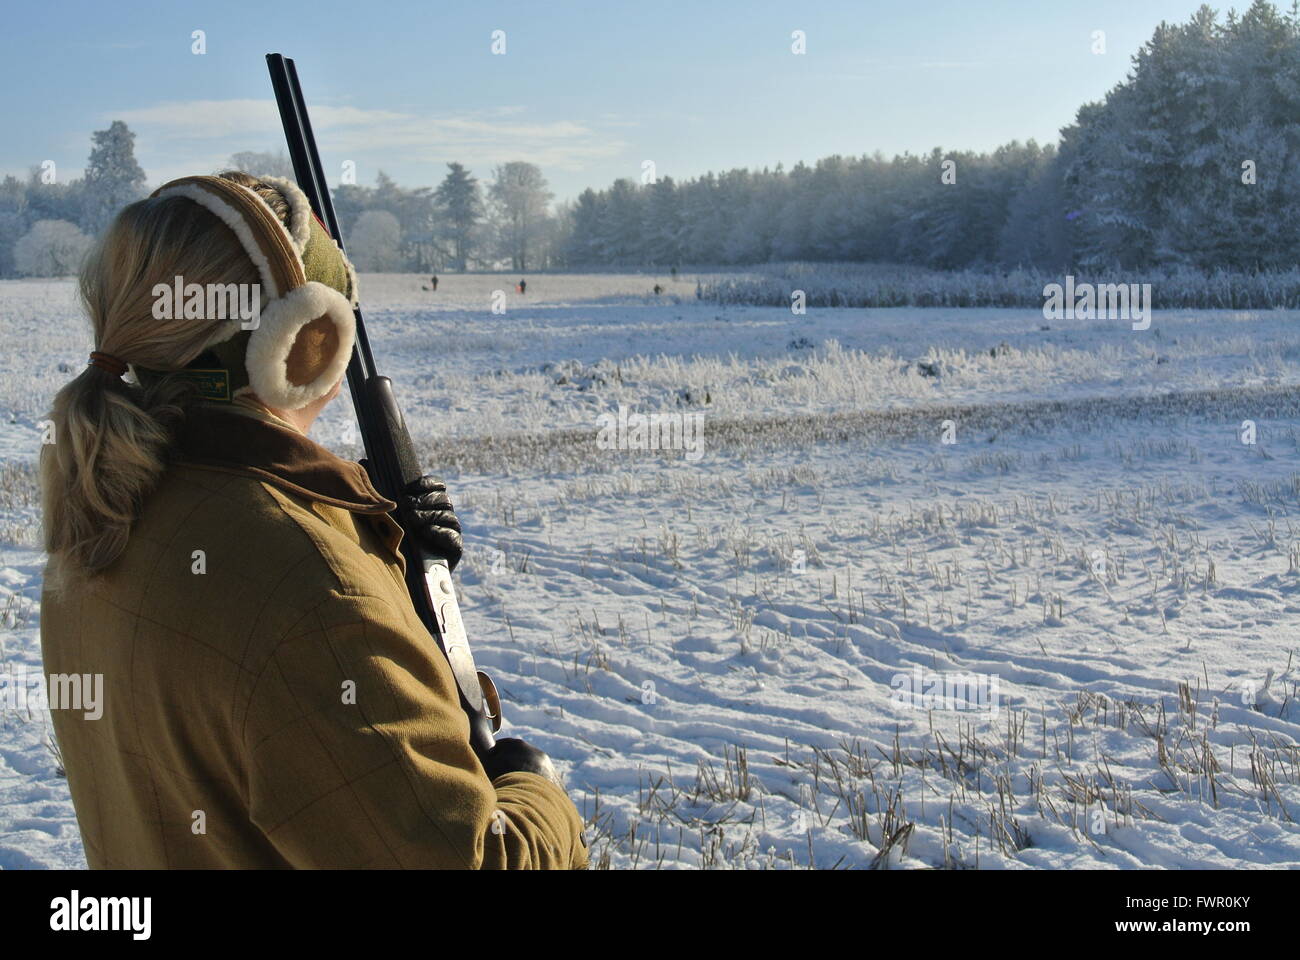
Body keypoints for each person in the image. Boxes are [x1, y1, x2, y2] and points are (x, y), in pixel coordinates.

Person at [38, 171, 588, 869]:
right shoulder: (308, 587)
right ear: (301, 345)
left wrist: (391, 588)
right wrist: (536, 795)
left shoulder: (104, 510)